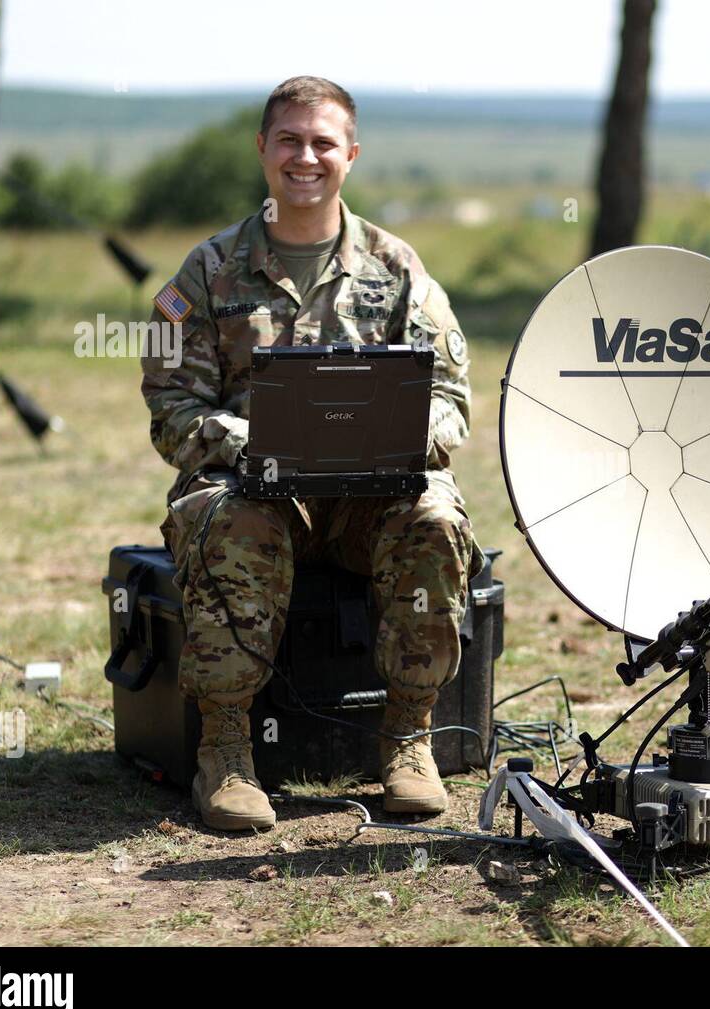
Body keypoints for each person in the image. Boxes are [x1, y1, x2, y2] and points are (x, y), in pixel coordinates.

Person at [139, 76, 482, 831]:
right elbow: (170, 408)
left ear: (350, 155)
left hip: (367, 503)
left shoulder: (398, 269)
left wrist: (399, 435)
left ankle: (408, 738)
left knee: (435, 511)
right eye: (289, 140)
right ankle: (225, 754)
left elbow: (454, 400)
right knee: (227, 516)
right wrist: (248, 441)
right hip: (260, 495)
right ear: (263, 149)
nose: (306, 157)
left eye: (323, 142)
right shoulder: (206, 272)